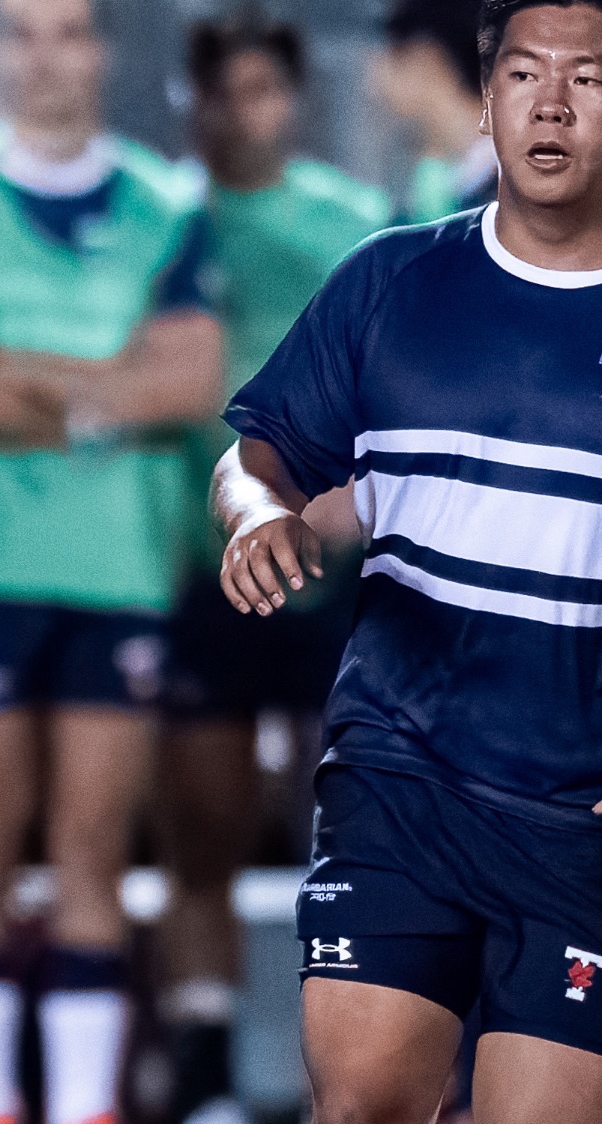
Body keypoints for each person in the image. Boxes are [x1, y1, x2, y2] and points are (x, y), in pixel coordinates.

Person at [217, 0, 602, 1118]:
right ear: (483, 100)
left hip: (577, 815)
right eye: (523, 73)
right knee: (362, 1100)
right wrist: (252, 515)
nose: (550, 101)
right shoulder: (387, 282)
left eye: (586, 76)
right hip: (398, 774)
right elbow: (254, 457)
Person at [0, 0, 223, 1120]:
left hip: (116, 563)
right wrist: (103, 392)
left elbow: (192, 379)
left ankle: (84, 1103)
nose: (44, 57)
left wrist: (22, 370)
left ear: (100, 52)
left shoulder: (167, 202)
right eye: (21, 34)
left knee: (93, 840)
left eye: (67, 32)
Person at [159, 15, 391, 1124]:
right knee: (197, 821)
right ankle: (200, 1066)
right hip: (187, 569)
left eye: (259, 91)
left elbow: (393, 396)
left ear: (289, 100)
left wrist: (341, 512)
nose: (238, 113)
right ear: (188, 101)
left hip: (331, 567)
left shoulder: (354, 227)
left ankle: (338, 1073)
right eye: (219, 92)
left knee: (341, 827)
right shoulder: (153, 218)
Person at [373, 0, 498, 222]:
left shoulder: (505, 198)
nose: (374, 82)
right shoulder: (458, 183)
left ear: (425, 60)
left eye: (391, 57)